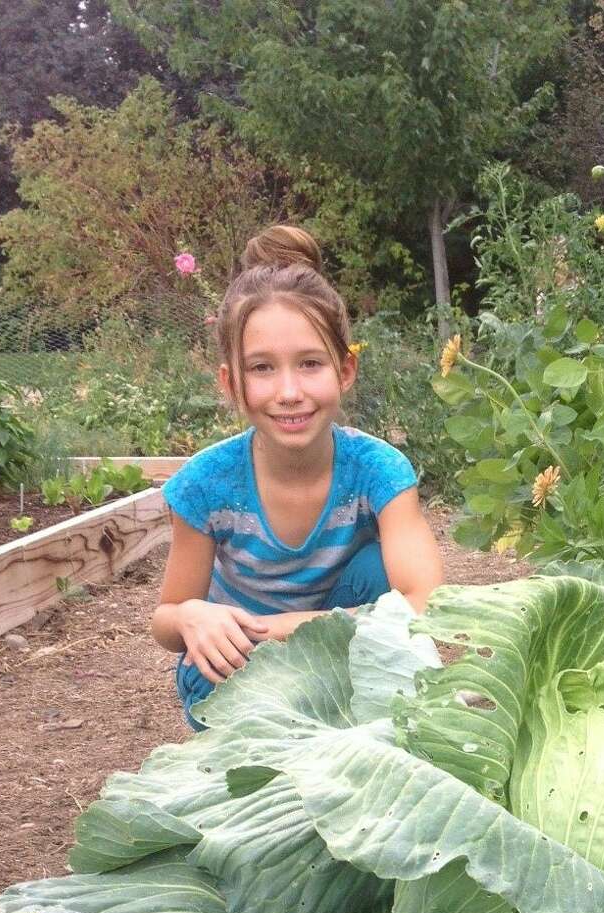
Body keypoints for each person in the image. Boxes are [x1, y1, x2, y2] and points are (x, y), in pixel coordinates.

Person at [152, 224, 444, 725]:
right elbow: (167, 618)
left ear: (345, 371)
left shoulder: (379, 471)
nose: (289, 391)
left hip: (336, 650)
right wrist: (190, 616)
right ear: (231, 383)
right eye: (262, 368)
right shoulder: (204, 485)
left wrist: (284, 627)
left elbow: (425, 604)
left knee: (379, 570)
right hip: (238, 665)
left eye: (310, 363)